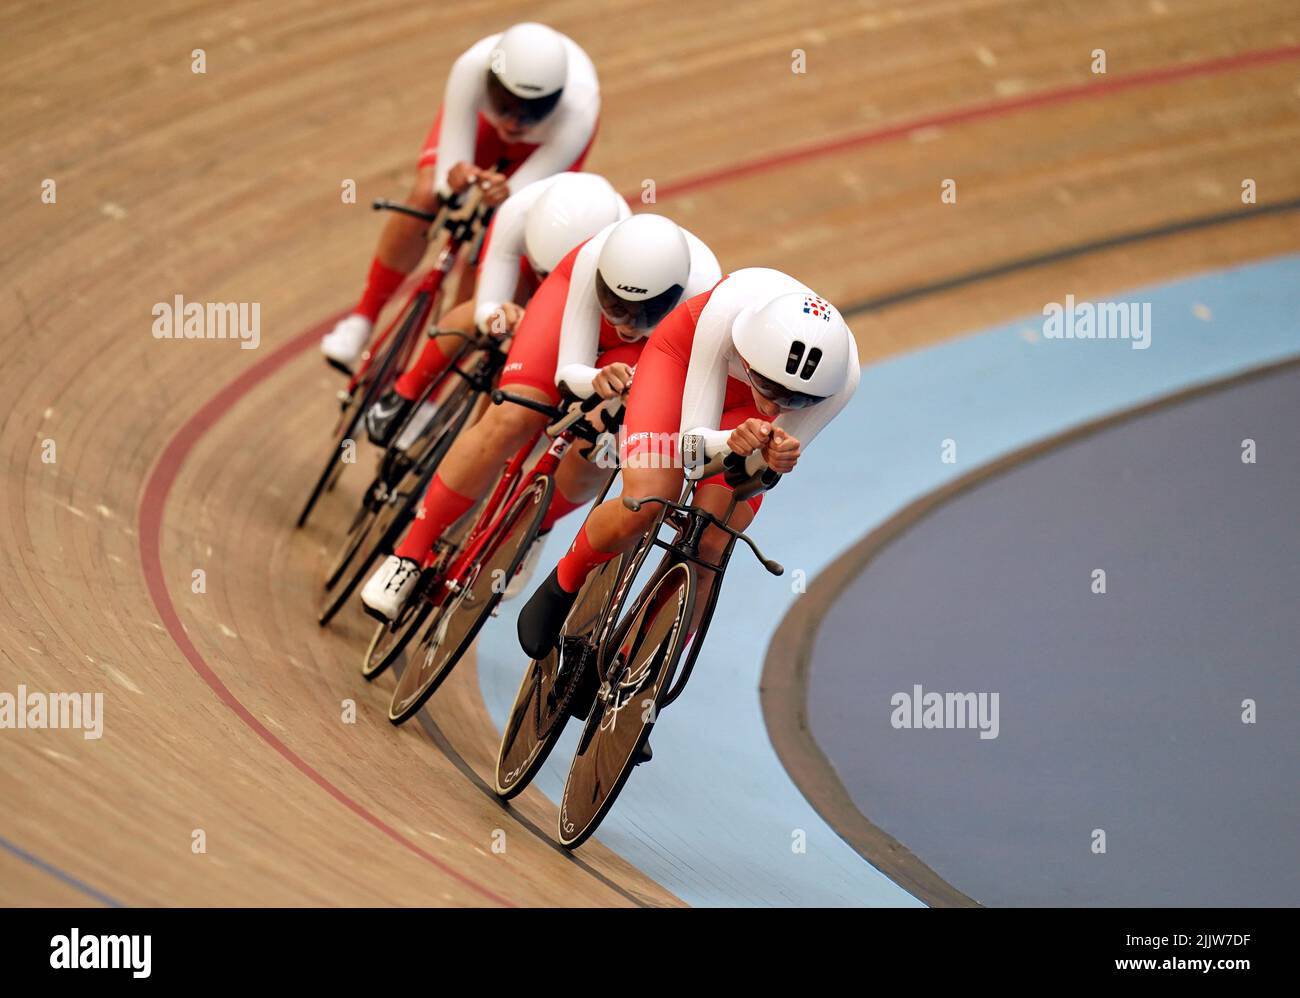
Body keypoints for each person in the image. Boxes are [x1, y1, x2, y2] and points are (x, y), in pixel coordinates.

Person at [360, 214, 721, 620]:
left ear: (672, 299)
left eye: (644, 313)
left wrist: (624, 400)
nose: (627, 324)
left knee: (602, 443)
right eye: (617, 307)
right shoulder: (591, 260)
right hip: (571, 310)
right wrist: (595, 376)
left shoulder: (703, 307)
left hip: (656, 352)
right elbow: (569, 371)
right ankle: (407, 557)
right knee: (511, 417)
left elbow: (676, 397)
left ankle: (534, 524)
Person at [515, 268, 861, 660]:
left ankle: (636, 662)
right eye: (769, 386)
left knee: (714, 539)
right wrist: (731, 441)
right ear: (749, 356)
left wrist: (769, 460)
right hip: (680, 363)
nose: (776, 406)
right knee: (648, 501)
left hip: (741, 418)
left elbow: (758, 477)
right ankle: (565, 580)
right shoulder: (727, 311)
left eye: (795, 400)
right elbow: (692, 449)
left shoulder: (840, 381)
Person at [320, 22, 600, 372]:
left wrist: (500, 199)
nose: (514, 122)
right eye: (506, 104)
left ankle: (429, 390)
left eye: (532, 110)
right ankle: (361, 319)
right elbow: (446, 177)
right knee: (424, 197)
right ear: (490, 84)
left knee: (492, 250)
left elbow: (515, 203)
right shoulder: (472, 67)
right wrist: (451, 184)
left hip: (545, 150)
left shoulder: (580, 112)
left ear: (555, 102)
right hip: (481, 127)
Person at [362, 171, 630, 448]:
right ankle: (404, 392)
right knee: (479, 312)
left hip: (577, 287)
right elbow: (490, 296)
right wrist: (493, 315)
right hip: (526, 262)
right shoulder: (519, 209)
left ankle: (478, 442)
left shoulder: (620, 245)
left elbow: (583, 329)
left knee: (520, 381)